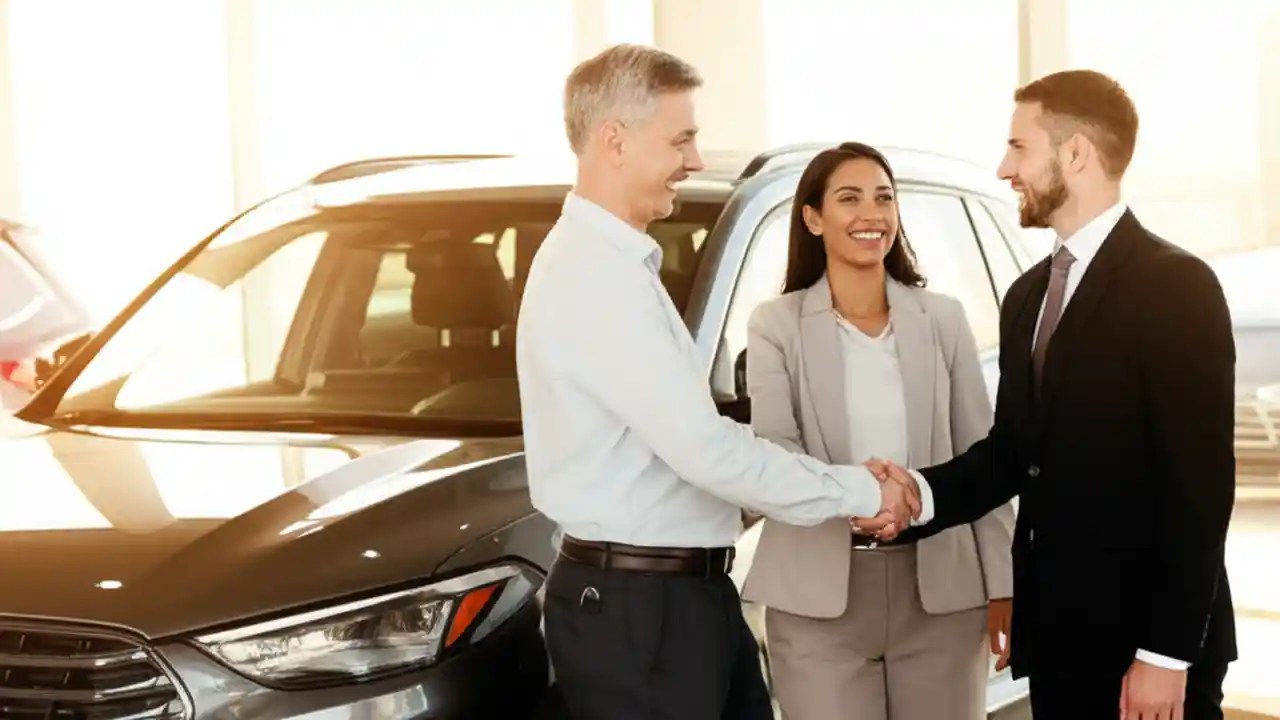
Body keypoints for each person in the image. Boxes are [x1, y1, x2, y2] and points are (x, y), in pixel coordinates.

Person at [515, 45, 919, 719]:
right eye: (682, 139)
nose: (695, 159)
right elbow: (703, 450)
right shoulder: (595, 278)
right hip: (643, 613)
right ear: (614, 140)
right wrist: (860, 488)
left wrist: (806, 475)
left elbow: (684, 449)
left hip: (678, 602)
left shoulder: (616, 266)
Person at [862, 70, 1238, 719]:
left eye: (1019, 146)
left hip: (1145, 653)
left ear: (1076, 154)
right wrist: (914, 497)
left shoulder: (1178, 286)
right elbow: (1013, 453)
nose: (1005, 167)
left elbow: (1199, 489)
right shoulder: (1028, 295)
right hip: (1060, 641)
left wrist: (1166, 655)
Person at [739, 142, 1016, 720]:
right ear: (813, 218)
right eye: (849, 198)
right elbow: (776, 451)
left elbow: (985, 457)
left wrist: (1005, 582)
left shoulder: (943, 319)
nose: (873, 214)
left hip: (941, 594)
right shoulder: (775, 326)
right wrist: (862, 496)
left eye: (884, 198)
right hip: (818, 599)